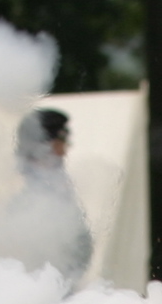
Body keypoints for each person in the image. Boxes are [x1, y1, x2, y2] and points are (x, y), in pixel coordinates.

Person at [10, 108, 97, 284]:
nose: (65, 148)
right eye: (62, 138)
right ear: (44, 144)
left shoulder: (56, 182)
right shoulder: (18, 187)